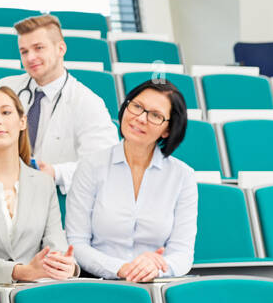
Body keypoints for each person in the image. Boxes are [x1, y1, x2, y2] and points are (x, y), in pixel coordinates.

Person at [65, 80, 197, 282]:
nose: (141, 118)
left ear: (167, 130)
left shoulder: (182, 176)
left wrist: (157, 267)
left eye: (155, 115)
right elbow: (77, 243)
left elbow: (183, 253)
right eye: (136, 106)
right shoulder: (90, 166)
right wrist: (122, 268)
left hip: (156, 284)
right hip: (100, 283)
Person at [0, 85, 78, 285]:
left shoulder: (43, 183)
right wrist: (21, 271)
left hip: (35, 295)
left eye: (5, 112)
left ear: (22, 122)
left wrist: (66, 266)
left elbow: (56, 246)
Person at [2, 14, 118, 194]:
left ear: (61, 49)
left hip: (56, 200)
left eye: (38, 48)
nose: (30, 57)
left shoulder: (88, 103)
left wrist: (56, 172)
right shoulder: (6, 88)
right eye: (24, 51)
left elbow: (103, 165)